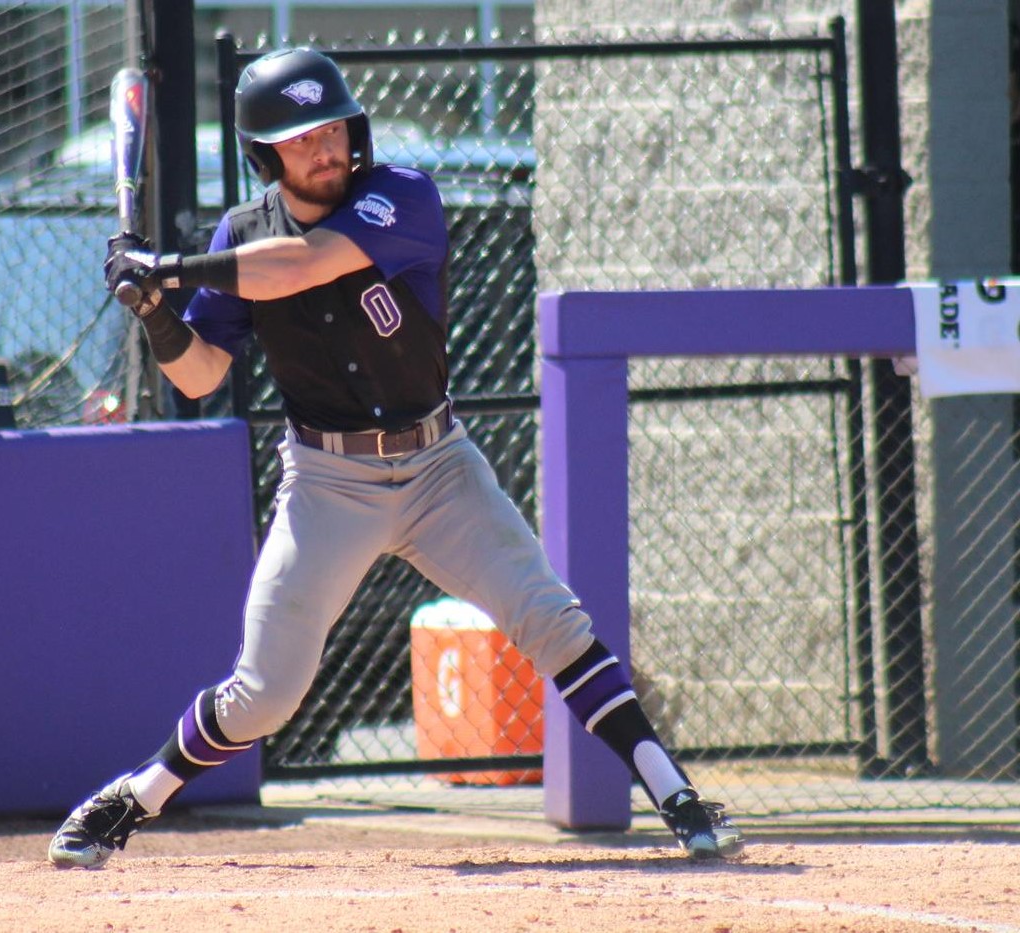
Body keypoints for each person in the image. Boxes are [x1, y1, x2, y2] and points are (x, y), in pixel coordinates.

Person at [50, 48, 745, 869]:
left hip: (437, 466)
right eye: (302, 138)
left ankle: (677, 794)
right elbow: (199, 375)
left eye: (334, 128)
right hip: (327, 482)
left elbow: (306, 266)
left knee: (555, 621)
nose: (326, 148)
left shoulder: (401, 197)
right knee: (264, 694)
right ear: (265, 156)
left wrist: (167, 264)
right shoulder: (243, 233)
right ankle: (131, 798)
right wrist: (155, 311)